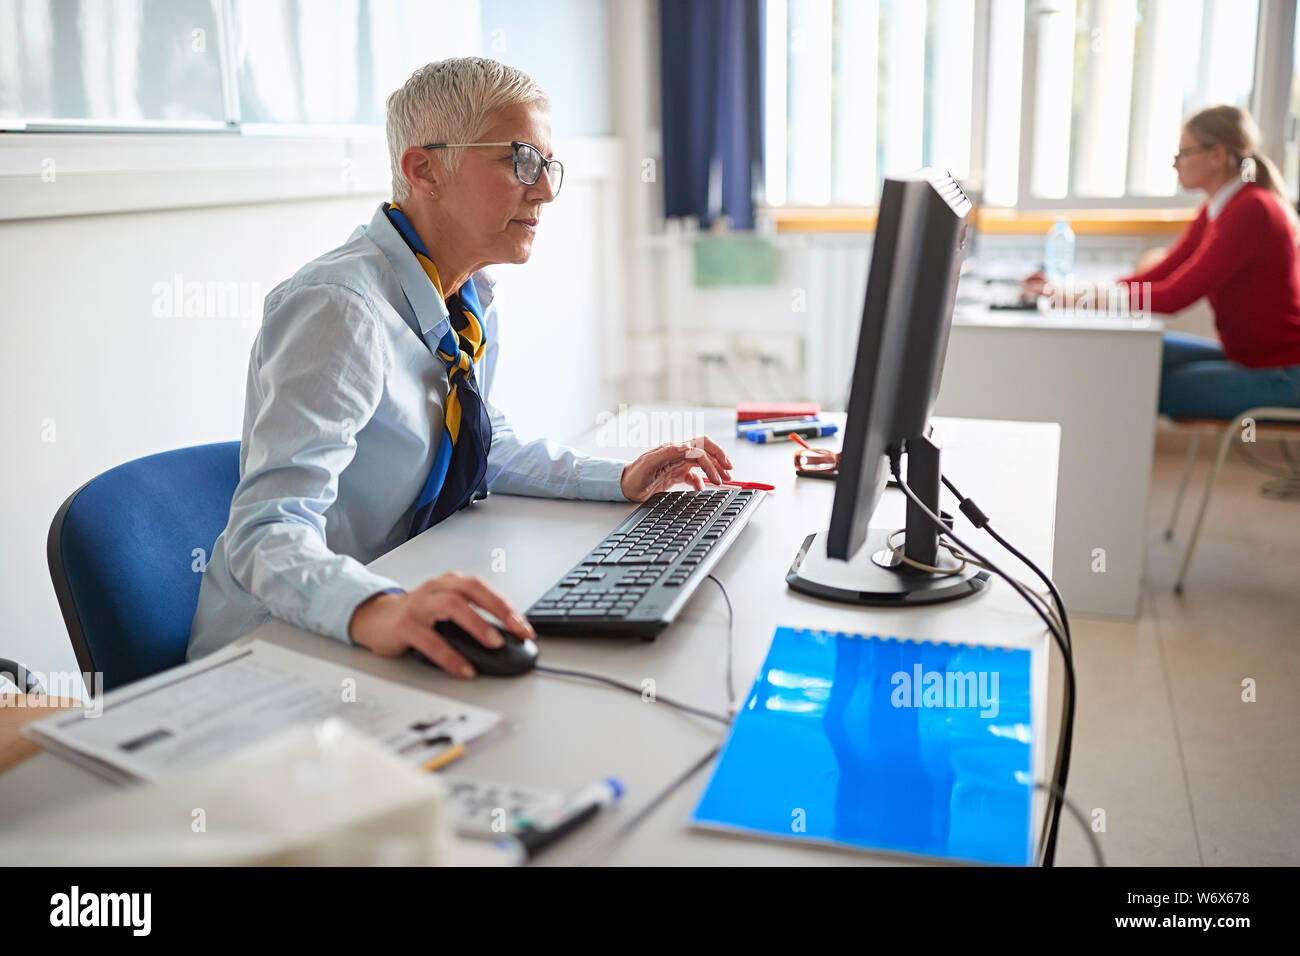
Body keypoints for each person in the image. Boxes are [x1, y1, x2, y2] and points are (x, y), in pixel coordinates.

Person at [189, 57, 733, 677]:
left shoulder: (466, 300)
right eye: (519, 160)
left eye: (548, 165)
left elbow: (477, 441)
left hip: (397, 601)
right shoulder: (340, 309)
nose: (546, 190)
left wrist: (619, 478)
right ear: (424, 170)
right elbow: (268, 530)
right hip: (283, 643)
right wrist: (377, 608)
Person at [1025, 105, 1300, 421]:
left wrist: (1077, 298)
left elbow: (1172, 297)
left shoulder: (1252, 210)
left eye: (1184, 153)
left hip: (1281, 372)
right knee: (1129, 355)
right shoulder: (1221, 208)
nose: (1176, 164)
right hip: (1250, 358)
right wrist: (1078, 292)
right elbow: (1160, 273)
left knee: (1134, 384)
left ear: (1217, 154)